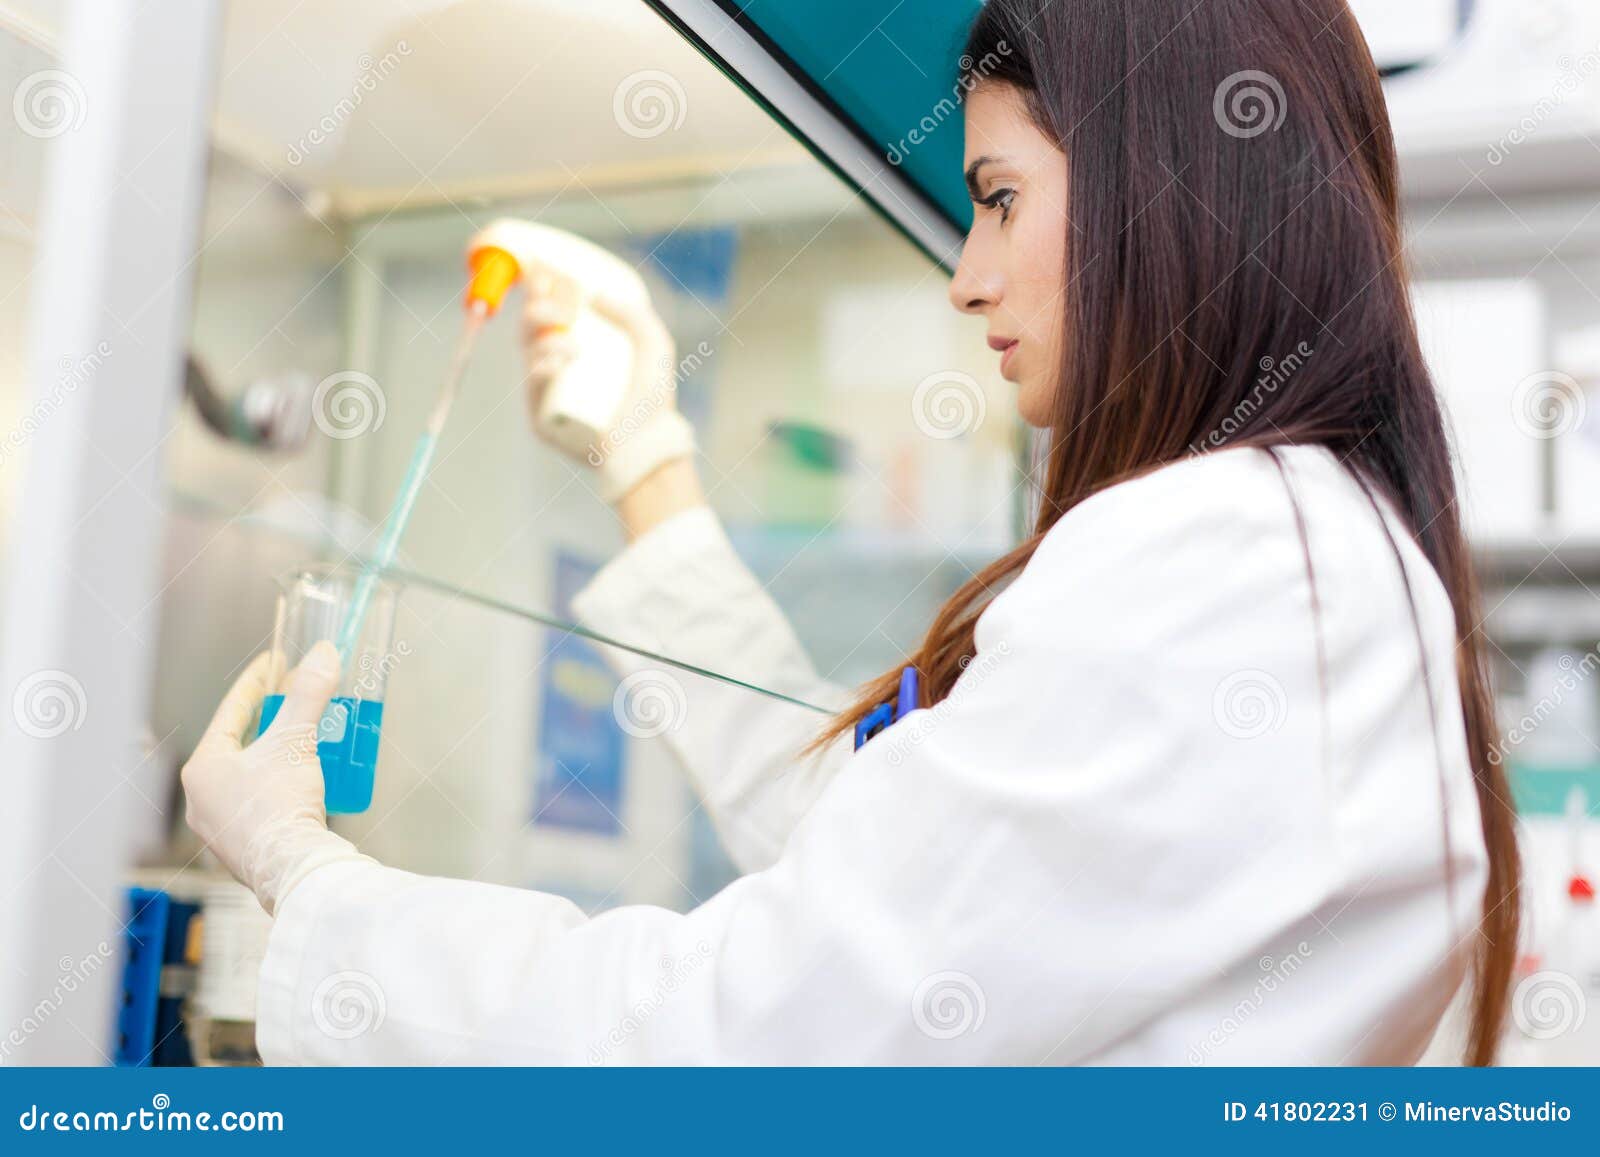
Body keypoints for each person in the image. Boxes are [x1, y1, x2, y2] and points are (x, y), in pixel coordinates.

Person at [182, 0, 1520, 1065]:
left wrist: (309, 880)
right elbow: (894, 878)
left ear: (1160, 184)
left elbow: (742, 1040)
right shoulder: (1317, 556)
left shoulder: (1211, 556)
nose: (967, 275)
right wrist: (648, 461)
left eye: (998, 196)